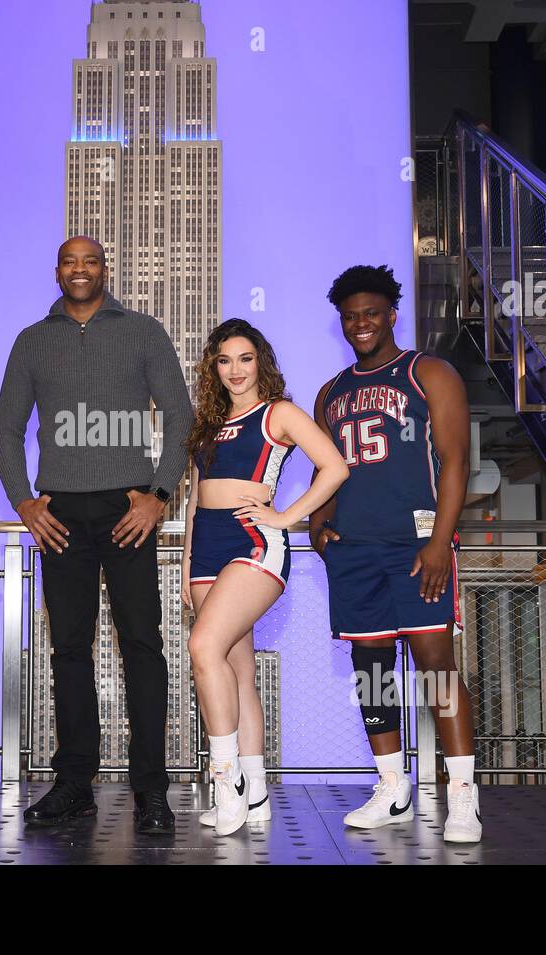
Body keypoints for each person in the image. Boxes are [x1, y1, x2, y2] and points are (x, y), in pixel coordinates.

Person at [0, 236, 194, 833]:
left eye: (91, 261)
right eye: (69, 261)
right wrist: (25, 504)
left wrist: (159, 496)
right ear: (57, 271)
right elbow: (6, 430)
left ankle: (151, 792)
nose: (79, 270)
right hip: (59, 518)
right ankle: (74, 784)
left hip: (127, 509)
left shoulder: (142, 331)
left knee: (143, 647)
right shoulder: (32, 340)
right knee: (70, 651)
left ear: (106, 270)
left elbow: (180, 416)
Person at [309, 265, 481, 844]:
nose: (361, 323)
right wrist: (318, 519)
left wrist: (440, 542)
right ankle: (392, 787)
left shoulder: (429, 372)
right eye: (350, 316)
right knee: (372, 672)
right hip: (354, 550)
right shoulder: (330, 392)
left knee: (435, 666)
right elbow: (325, 471)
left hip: (416, 547)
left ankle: (461, 797)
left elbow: (456, 460)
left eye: (371, 313)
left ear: (391, 314)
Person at [183, 319, 349, 836]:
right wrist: (189, 565)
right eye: (225, 360)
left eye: (245, 358)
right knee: (237, 672)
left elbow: (335, 466)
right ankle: (255, 795)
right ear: (214, 366)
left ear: (262, 362)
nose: (235, 370)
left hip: (254, 544)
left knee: (202, 648)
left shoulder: (278, 412)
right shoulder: (206, 424)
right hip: (207, 549)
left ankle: (225, 779)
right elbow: (194, 499)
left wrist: (284, 516)